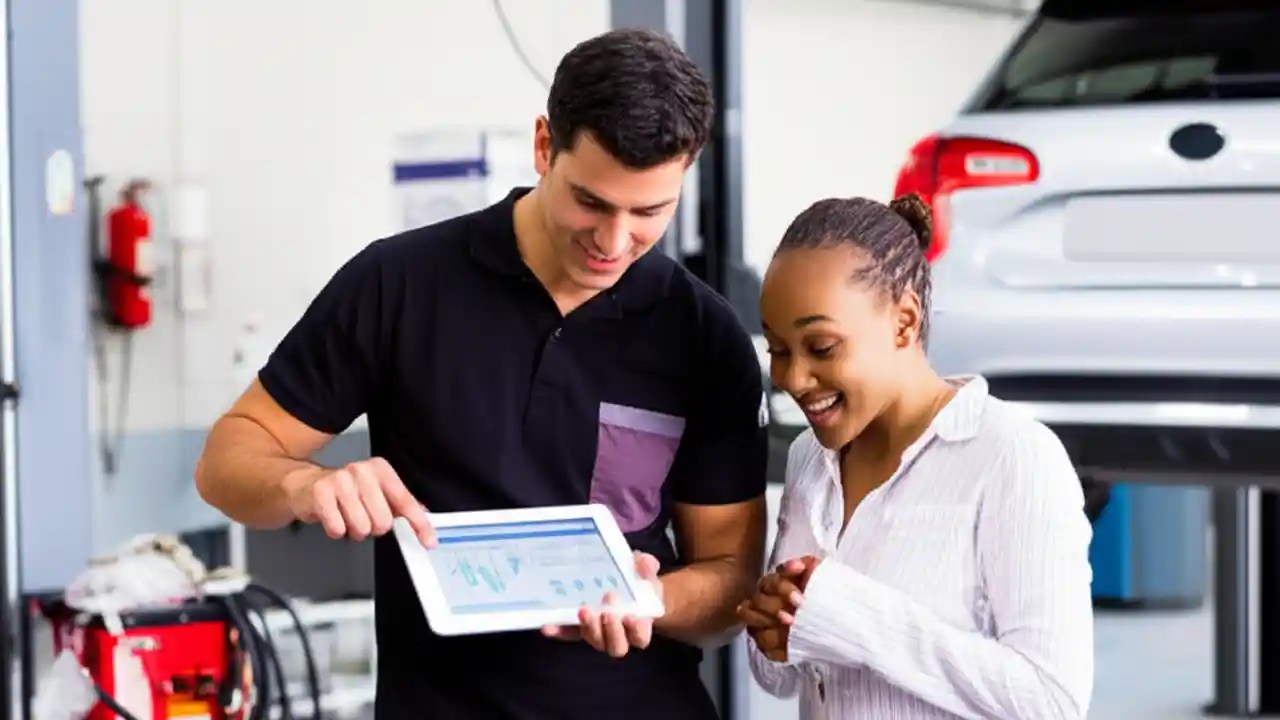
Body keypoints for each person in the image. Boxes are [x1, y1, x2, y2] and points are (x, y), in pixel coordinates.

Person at [194, 27, 768, 720]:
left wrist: (653, 598)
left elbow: (733, 580)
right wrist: (305, 484)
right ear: (542, 146)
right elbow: (227, 461)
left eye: (650, 212)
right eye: (590, 201)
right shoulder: (398, 285)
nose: (614, 242)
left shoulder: (705, 337)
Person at [739, 194, 1094, 719]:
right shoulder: (809, 458)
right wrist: (775, 627)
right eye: (779, 349)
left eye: (822, 347)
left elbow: (1050, 702)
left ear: (904, 321)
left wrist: (848, 614)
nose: (792, 379)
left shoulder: (1012, 457)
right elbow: (780, 678)